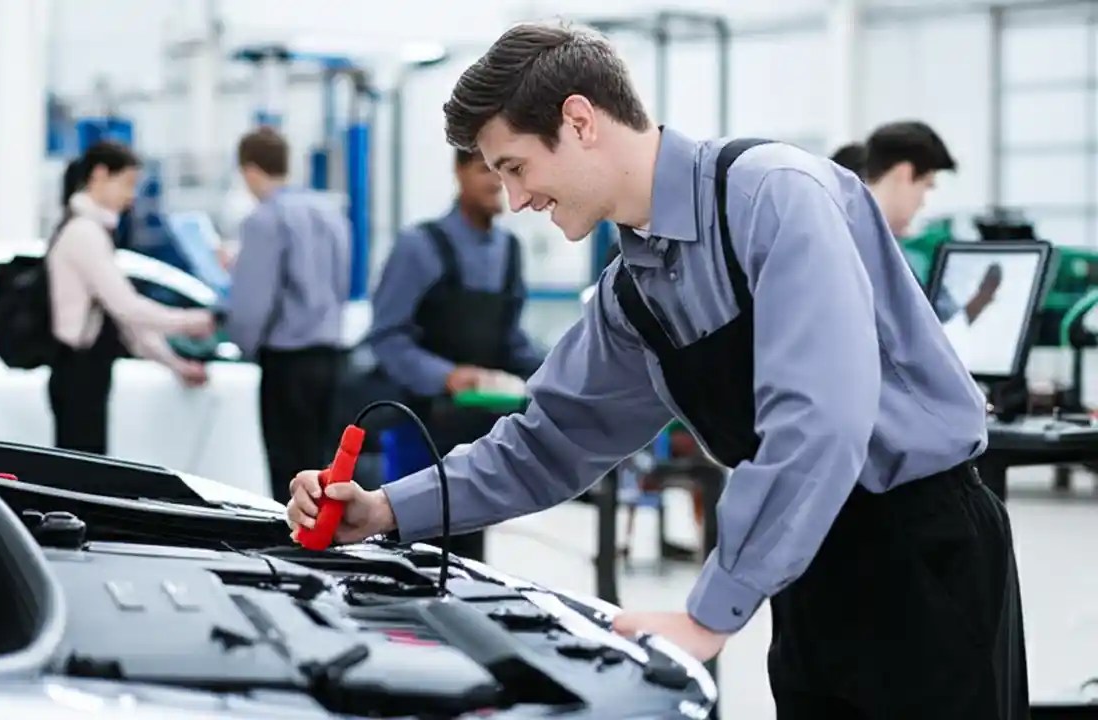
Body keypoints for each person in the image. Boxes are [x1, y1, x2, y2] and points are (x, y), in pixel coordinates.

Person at [285, 22, 1027, 720]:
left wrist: (707, 615)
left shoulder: (773, 197)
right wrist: (385, 510)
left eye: (516, 166)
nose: (515, 199)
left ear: (579, 121)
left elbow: (821, 421)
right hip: (806, 566)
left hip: (923, 556)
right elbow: (547, 443)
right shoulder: (632, 292)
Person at [366, 147, 546, 561]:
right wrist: (446, 376)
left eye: (509, 169)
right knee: (409, 550)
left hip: (478, 433)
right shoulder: (419, 246)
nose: (496, 182)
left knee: (467, 560)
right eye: (486, 169)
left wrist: (556, 372)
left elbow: (511, 341)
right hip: (418, 426)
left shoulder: (509, 251)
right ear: (459, 171)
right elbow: (387, 336)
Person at [46, 141, 216, 455]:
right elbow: (126, 307)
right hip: (77, 371)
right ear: (99, 176)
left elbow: (125, 324)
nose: (131, 196)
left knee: (87, 470)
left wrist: (175, 364)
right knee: (82, 475)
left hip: (86, 371)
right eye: (127, 184)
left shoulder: (91, 229)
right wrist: (192, 322)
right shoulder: (84, 232)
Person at [221, 126, 351, 502]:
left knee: (290, 477)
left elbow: (254, 303)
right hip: (330, 357)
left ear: (248, 170)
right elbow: (342, 283)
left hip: (287, 363)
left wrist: (240, 344)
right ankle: (325, 549)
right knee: (325, 470)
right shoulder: (330, 215)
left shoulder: (264, 220)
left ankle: (295, 551)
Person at [831, 124, 1002, 325]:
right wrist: (984, 296)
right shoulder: (863, 250)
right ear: (904, 174)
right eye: (926, 186)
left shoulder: (859, 239)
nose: (922, 202)